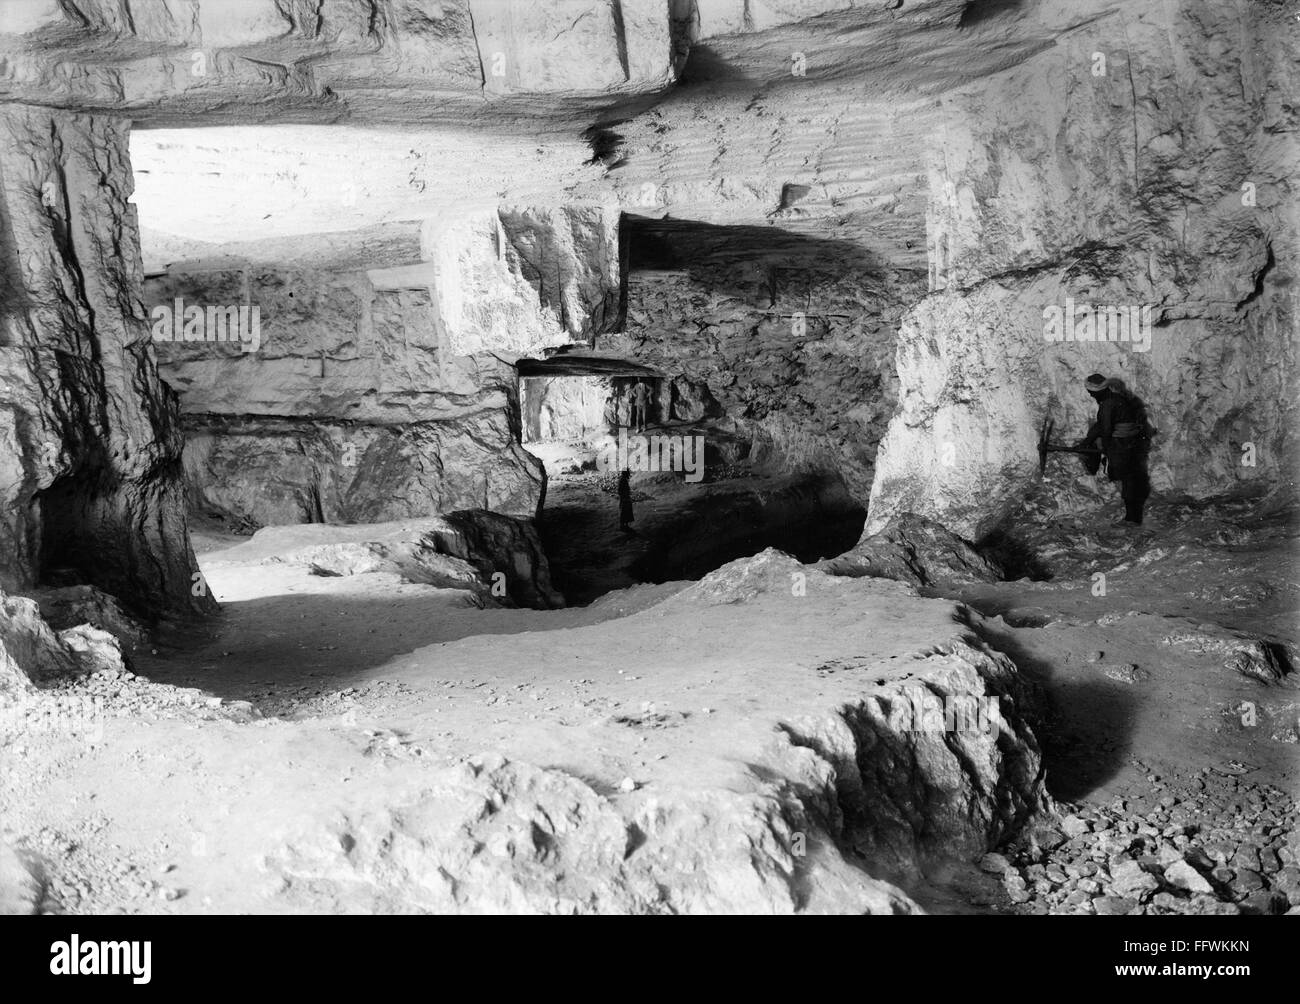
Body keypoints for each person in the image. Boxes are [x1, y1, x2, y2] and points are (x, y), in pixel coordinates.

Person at [1080, 373, 1151, 525]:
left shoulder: (1107, 405)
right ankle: (1132, 516)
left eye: (1091, 392)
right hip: (1130, 442)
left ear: (1098, 390)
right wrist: (1087, 441)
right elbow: (1100, 425)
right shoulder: (1116, 398)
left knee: (1125, 478)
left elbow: (1105, 429)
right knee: (1128, 478)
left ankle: (1131, 519)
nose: (1090, 394)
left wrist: (1107, 449)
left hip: (1122, 445)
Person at [617, 468, 635, 532]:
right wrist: (624, 497)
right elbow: (620, 490)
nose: (629, 474)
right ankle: (623, 525)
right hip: (625, 498)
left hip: (625, 498)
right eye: (628, 473)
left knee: (625, 511)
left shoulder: (623, 479)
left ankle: (625, 525)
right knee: (625, 511)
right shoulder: (623, 480)